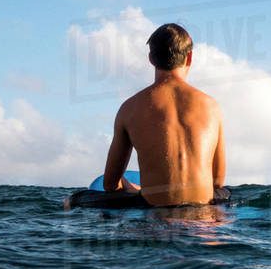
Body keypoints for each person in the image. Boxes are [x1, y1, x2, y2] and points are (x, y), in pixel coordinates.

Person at [65, 23, 228, 209]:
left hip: (155, 214)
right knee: (226, 193)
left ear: (151, 59)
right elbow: (218, 182)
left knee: (76, 199)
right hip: (203, 219)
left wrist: (139, 191)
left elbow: (110, 184)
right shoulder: (213, 107)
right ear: (189, 57)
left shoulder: (129, 108)